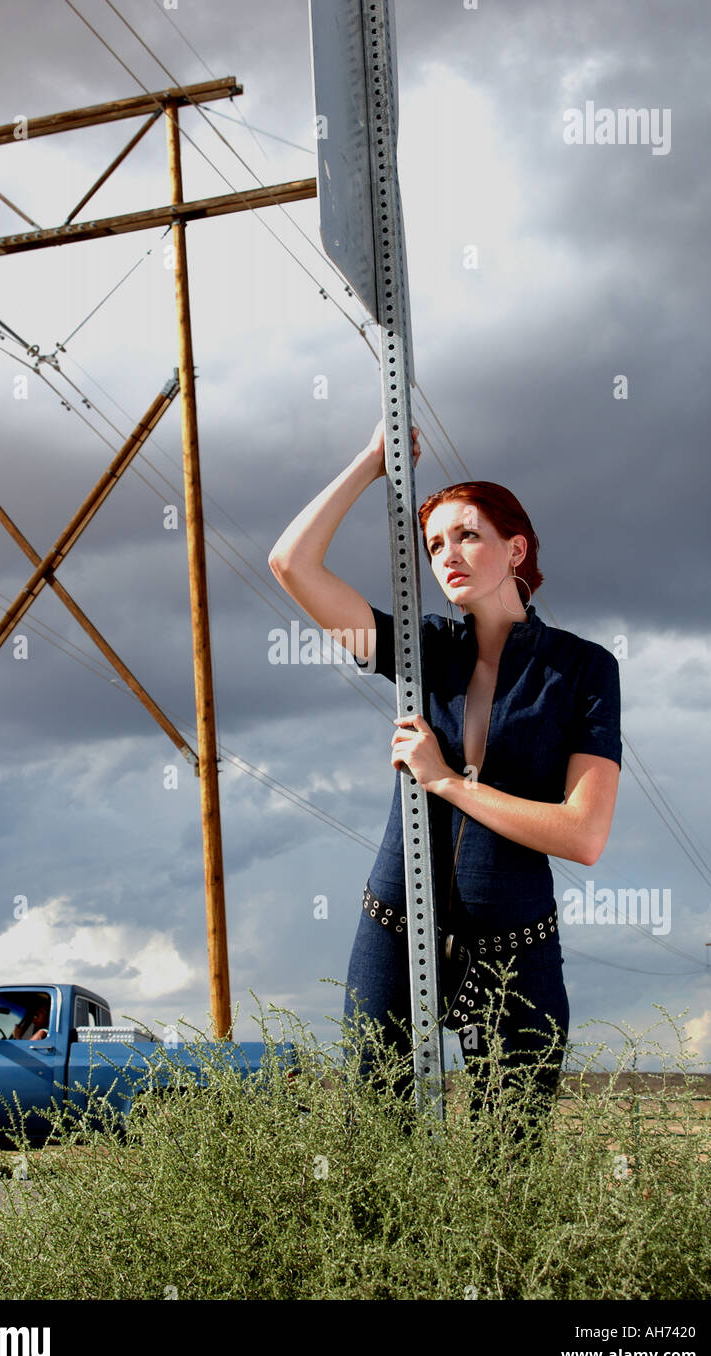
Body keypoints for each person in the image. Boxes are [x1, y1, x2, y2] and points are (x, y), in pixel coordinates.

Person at [267, 420, 621, 1145]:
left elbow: (582, 835)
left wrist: (447, 782)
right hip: (395, 927)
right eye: (433, 545)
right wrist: (369, 462)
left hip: (516, 944)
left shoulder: (581, 670)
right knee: (379, 1150)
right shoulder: (420, 649)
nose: (446, 555)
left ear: (514, 548)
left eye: (466, 536)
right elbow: (290, 564)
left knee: (508, 1161)